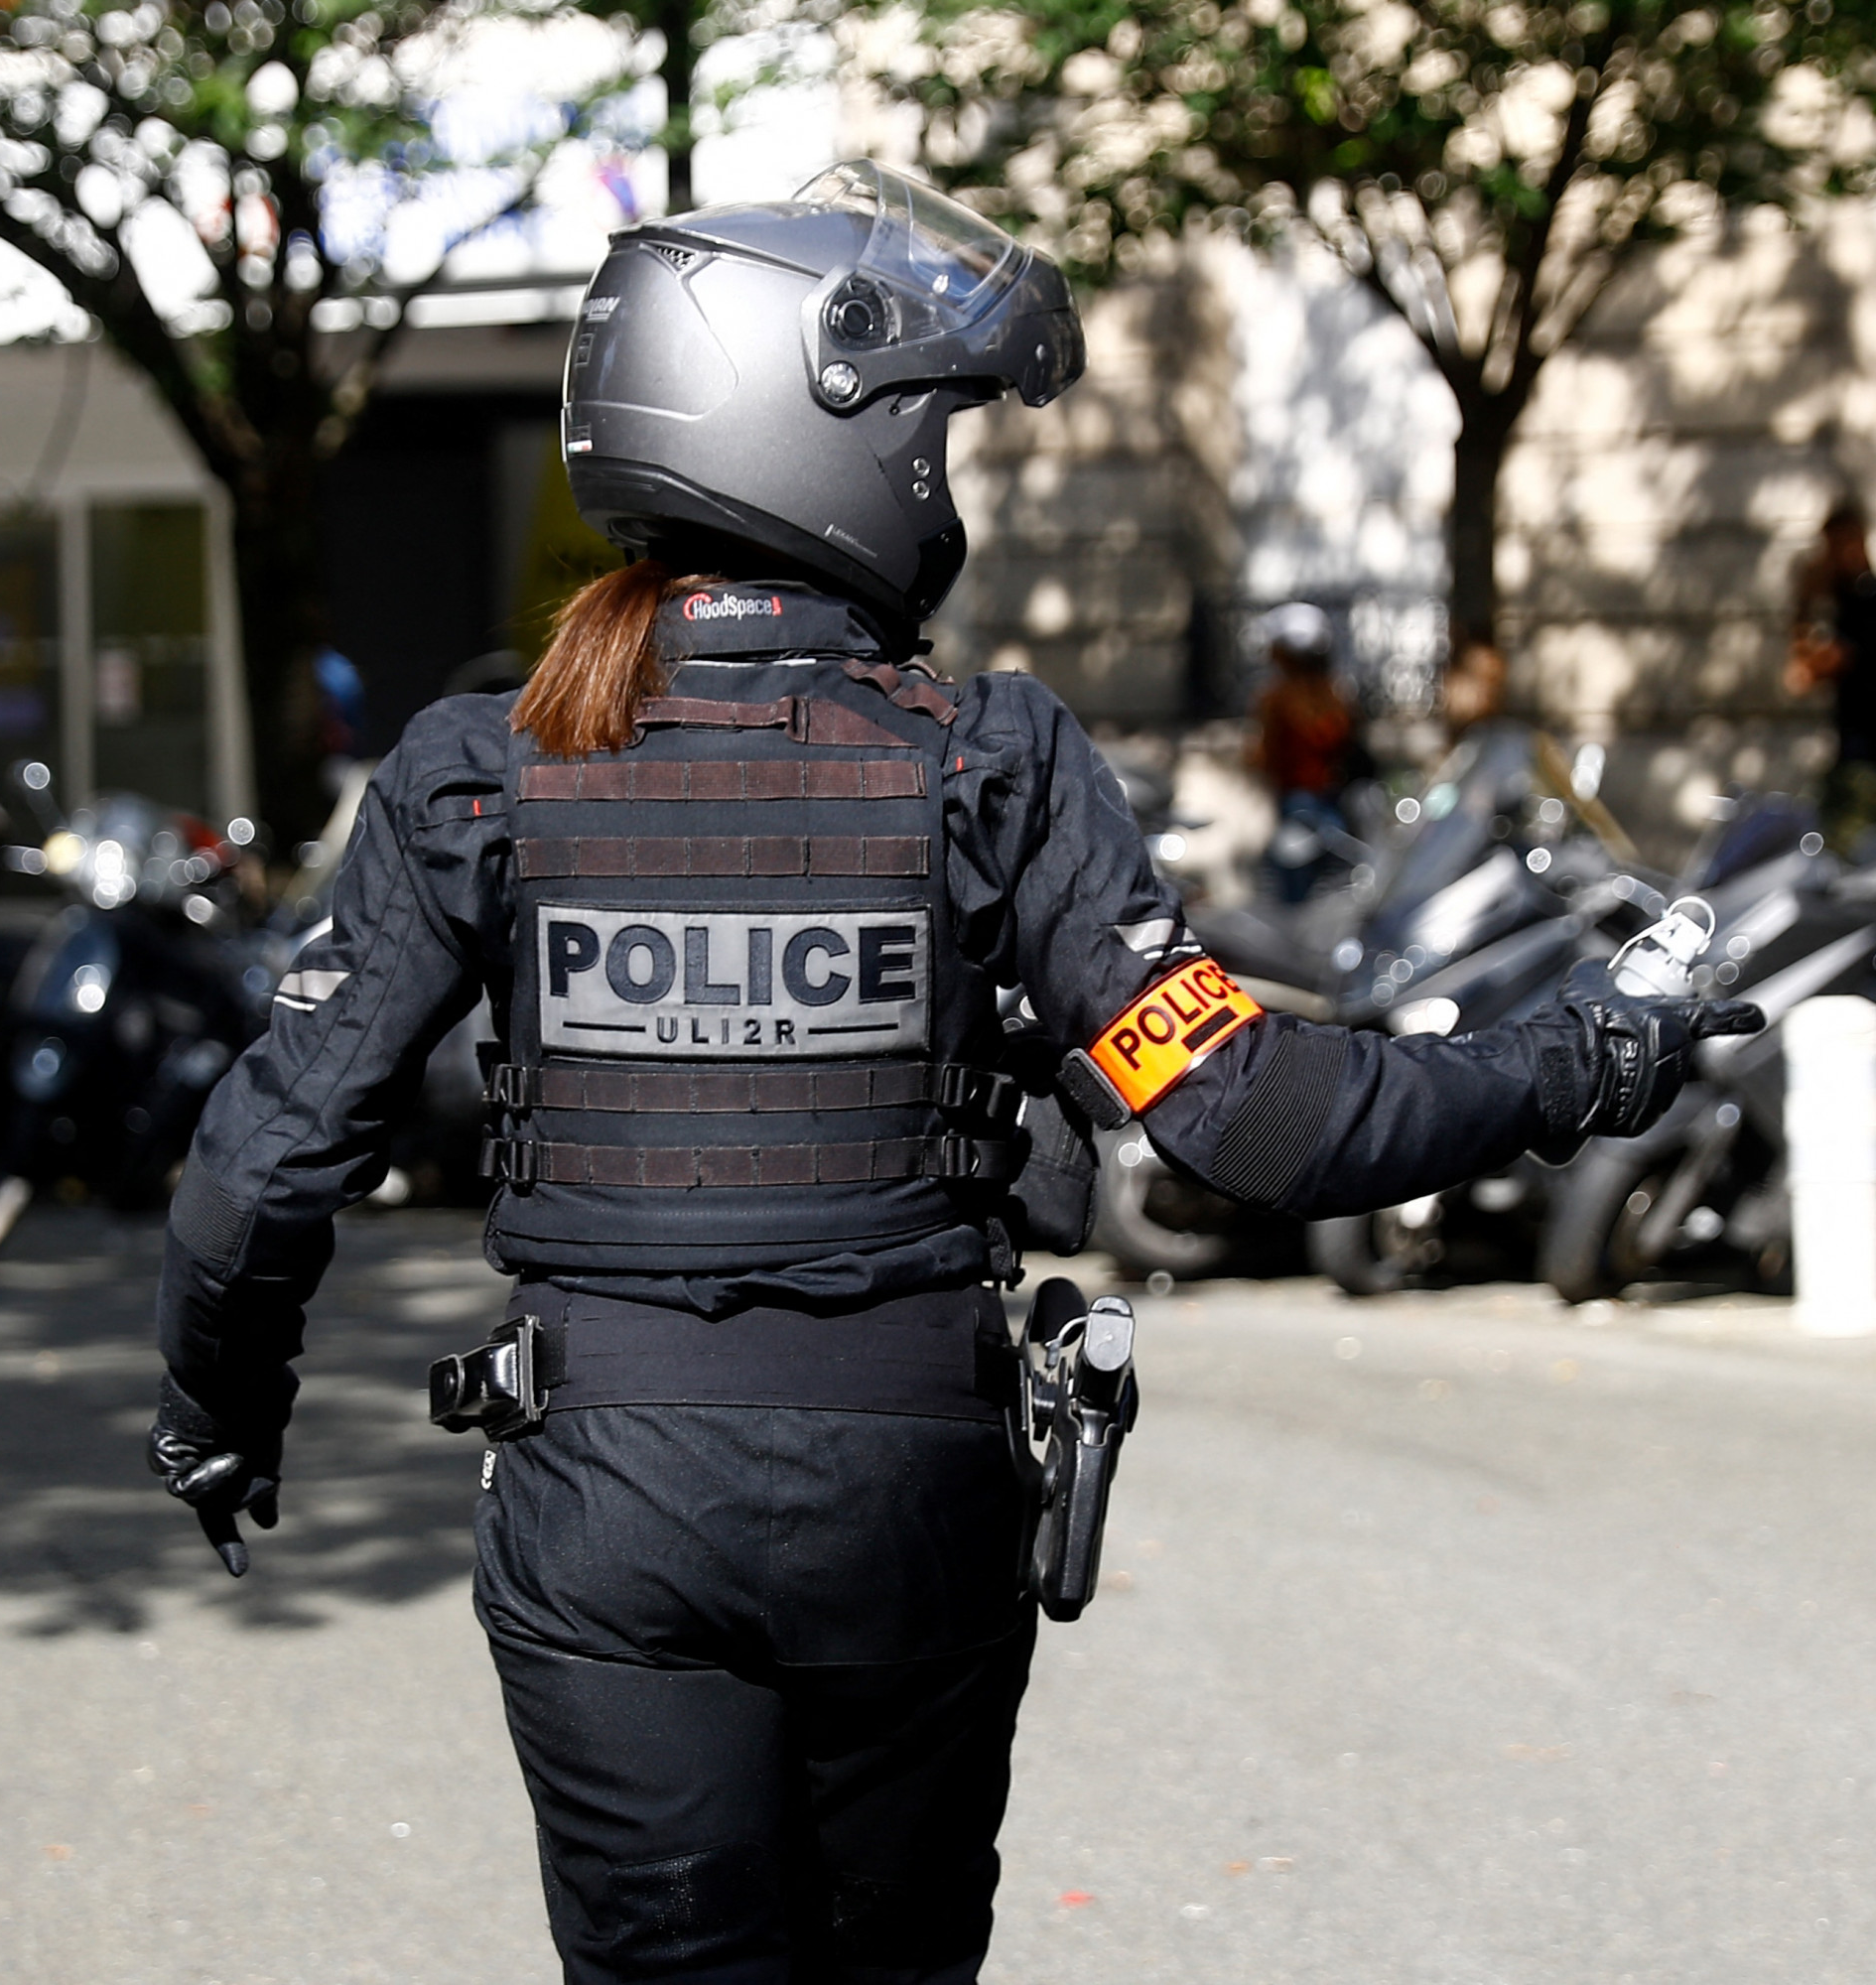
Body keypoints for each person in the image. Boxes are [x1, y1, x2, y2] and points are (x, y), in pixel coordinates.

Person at [146, 162, 1759, 1985]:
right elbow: (1257, 1122)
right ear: (830, 443)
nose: (944, 485)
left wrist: (220, 1412)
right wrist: (1591, 1059)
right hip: (906, 1499)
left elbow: (260, 1168)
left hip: (604, 1502)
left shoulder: (484, 769)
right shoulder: (987, 764)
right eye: (938, 440)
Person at [1249, 602, 1363, 901]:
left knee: (1294, 897)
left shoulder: (1276, 700)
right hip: (1334, 804)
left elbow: (1266, 755)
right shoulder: (1338, 697)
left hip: (1297, 805)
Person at [1788, 496, 1876, 851]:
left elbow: (1812, 670)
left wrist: (1808, 605)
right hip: (1854, 754)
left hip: (1865, 763)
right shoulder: (1843, 604)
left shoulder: (1866, 605)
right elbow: (1799, 678)